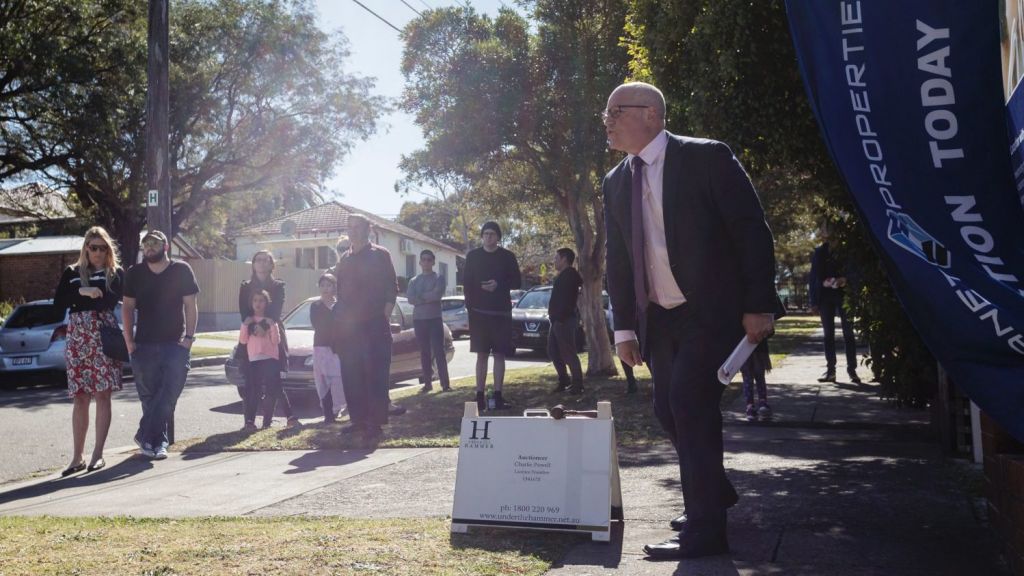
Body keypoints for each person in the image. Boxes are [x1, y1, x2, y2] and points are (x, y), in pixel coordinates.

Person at [602, 82, 778, 559]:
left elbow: (751, 231)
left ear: (652, 115)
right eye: (606, 114)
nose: (608, 121)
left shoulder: (707, 158)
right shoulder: (615, 181)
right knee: (666, 408)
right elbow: (618, 260)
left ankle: (705, 532)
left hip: (712, 311)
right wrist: (624, 329)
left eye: (616, 111)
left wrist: (759, 303)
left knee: (689, 402)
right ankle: (712, 493)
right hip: (659, 319)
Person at [52, 226, 125, 475]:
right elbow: (59, 303)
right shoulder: (72, 272)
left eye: (102, 248)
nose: (98, 252)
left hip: (102, 333)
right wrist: (83, 290)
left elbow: (107, 301)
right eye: (93, 247)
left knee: (103, 393)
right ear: (86, 248)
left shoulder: (115, 273)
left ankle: (98, 454)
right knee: (80, 396)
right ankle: (77, 457)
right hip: (77, 336)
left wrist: (78, 297)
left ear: (108, 250)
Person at [122, 230, 200, 460]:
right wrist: (129, 341)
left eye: (154, 244)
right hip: (143, 344)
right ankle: (156, 443)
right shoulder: (134, 273)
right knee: (149, 397)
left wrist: (189, 338)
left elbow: (191, 305)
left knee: (170, 392)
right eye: (146, 244)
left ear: (165, 247)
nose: (149, 248)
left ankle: (144, 435)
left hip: (175, 344)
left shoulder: (181, 270)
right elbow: (127, 307)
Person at [330, 214, 398, 437]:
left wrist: (385, 313)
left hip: (375, 324)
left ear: (368, 229)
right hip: (349, 328)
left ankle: (375, 423)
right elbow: (341, 294)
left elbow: (391, 287)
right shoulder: (345, 259)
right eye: (349, 227)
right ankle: (357, 420)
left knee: (375, 374)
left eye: (357, 227)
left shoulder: (380, 254)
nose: (353, 231)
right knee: (351, 374)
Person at [463, 221, 521, 412]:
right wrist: (471, 308)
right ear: (482, 236)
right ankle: (479, 396)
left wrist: (499, 284)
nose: (488, 237)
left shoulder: (507, 256)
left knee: (499, 355)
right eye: (486, 234)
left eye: (492, 234)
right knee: (481, 355)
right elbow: (467, 284)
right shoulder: (473, 256)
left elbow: (517, 281)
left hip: (501, 313)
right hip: (479, 314)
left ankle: (498, 395)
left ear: (498, 237)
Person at [808, 223, 861, 384]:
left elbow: (855, 272)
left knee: (848, 333)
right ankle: (831, 370)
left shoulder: (847, 251)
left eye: (828, 230)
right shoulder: (819, 252)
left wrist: (845, 279)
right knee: (828, 334)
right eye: (825, 230)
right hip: (825, 297)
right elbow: (814, 277)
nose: (825, 233)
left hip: (844, 296)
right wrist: (814, 301)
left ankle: (852, 370)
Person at [406, 249, 451, 393]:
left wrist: (420, 297)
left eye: (429, 259)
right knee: (424, 352)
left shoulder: (439, 278)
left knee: (439, 351)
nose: (426, 262)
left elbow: (436, 295)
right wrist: (427, 296)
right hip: (419, 320)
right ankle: (427, 384)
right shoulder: (414, 281)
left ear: (433, 262)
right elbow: (410, 299)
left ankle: (445, 384)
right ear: (420, 262)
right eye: (423, 259)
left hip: (434, 319)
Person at [547, 247, 584, 394]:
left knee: (568, 352)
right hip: (556, 320)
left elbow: (567, 301)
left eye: (556, 258)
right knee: (553, 350)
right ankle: (564, 380)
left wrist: (560, 318)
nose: (554, 261)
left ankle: (578, 384)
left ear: (564, 259)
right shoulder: (562, 276)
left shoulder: (570, 276)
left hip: (564, 320)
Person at [310, 272, 346, 423]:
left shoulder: (339, 305)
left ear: (334, 287)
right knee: (322, 381)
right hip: (321, 346)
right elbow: (317, 325)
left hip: (337, 348)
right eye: (322, 285)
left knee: (337, 379)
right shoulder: (315, 306)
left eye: (329, 285)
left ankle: (338, 408)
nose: (325, 288)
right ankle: (328, 414)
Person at [741, 341, 772, 422]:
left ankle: (750, 407)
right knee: (759, 377)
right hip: (758, 349)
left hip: (744, 350)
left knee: (748, 379)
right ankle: (762, 403)